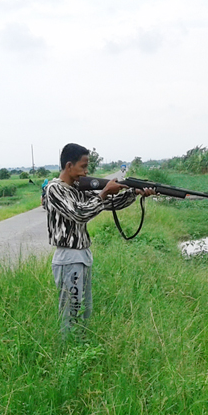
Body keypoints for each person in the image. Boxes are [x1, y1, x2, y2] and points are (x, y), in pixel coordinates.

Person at [45, 143, 153, 336]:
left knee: (83, 312)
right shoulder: (55, 189)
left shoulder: (77, 189)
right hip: (69, 258)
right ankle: (69, 351)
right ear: (69, 166)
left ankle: (79, 349)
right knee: (72, 314)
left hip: (81, 257)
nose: (86, 172)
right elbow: (80, 213)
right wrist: (104, 193)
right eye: (83, 166)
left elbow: (107, 204)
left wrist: (133, 193)